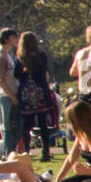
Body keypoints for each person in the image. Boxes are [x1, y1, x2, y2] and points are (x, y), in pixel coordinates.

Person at [14, 32, 56, 163]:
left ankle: (26, 151)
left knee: (26, 125)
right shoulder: (41, 56)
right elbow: (43, 72)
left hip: (26, 92)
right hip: (40, 91)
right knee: (43, 124)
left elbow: (16, 75)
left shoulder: (19, 58)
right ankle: (46, 152)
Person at [0, 28, 23, 156]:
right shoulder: (0, 56)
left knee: (17, 126)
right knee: (8, 126)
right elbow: (1, 80)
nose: (16, 40)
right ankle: (7, 154)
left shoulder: (8, 55)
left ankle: (11, 152)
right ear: (7, 39)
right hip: (6, 96)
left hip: (12, 95)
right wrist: (12, 97)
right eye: (14, 37)